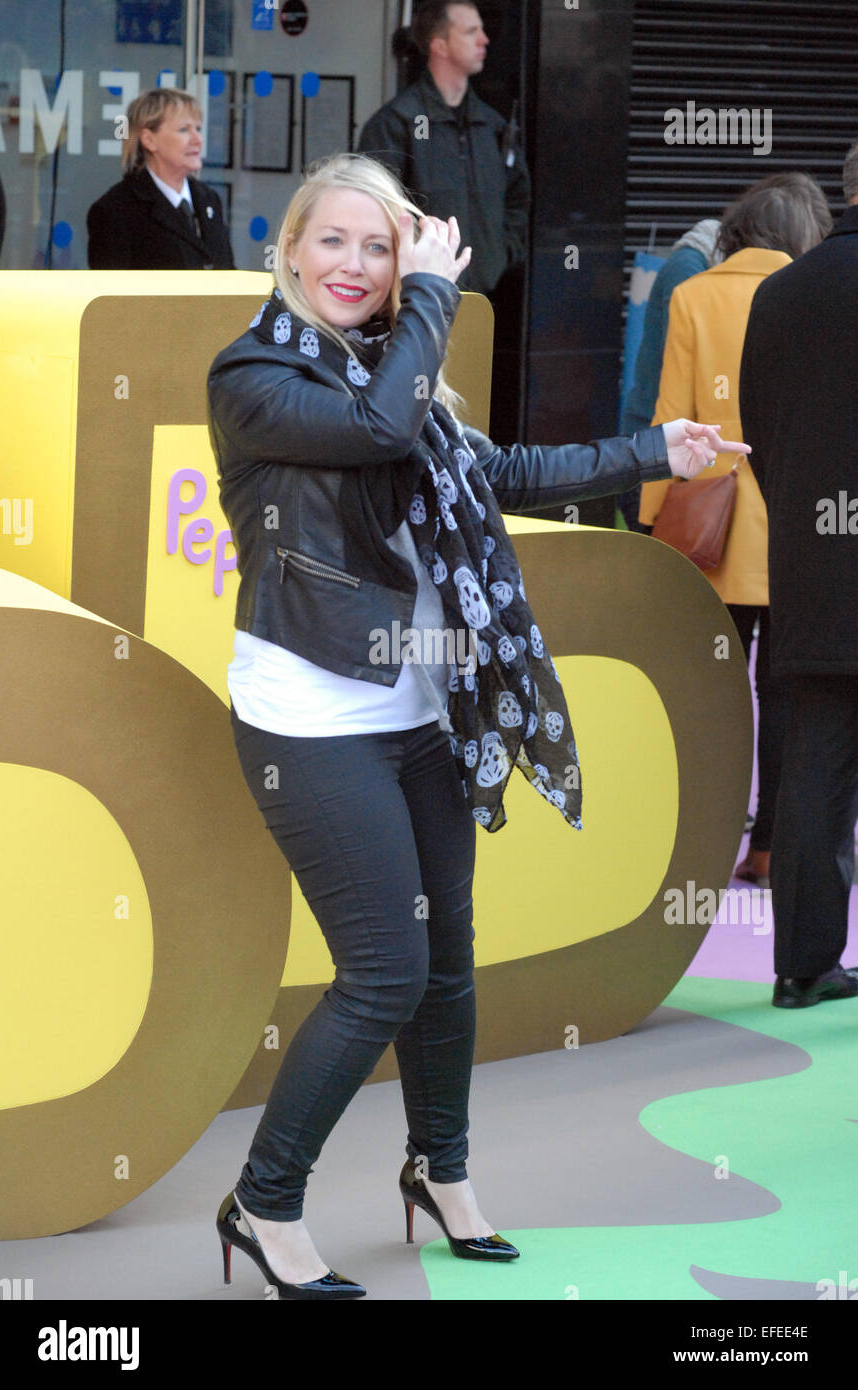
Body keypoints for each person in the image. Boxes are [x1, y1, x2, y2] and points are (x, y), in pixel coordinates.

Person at [206, 152, 746, 1300]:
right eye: (336, 241)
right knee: (384, 972)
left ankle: (439, 1173)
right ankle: (263, 1200)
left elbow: (491, 469)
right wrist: (437, 302)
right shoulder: (255, 373)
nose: (356, 265)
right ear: (290, 250)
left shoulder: (394, 364)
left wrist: (654, 452)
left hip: (422, 703)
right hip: (311, 712)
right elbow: (379, 430)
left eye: (382, 247)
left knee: (447, 964)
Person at [638, 173, 831, 889]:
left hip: (709, 528)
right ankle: (773, 851)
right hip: (797, 524)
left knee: (711, 695)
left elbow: (669, 414)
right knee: (788, 696)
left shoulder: (694, 295)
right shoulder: (815, 294)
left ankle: (700, 849)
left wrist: (652, 517)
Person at [739, 142, 858, 1009]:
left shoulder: (781, 293)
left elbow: (758, 424)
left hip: (814, 558)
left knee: (816, 758)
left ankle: (802, 967)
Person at [356, 1, 529, 300]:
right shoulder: (395, 124)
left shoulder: (492, 125)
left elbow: (517, 197)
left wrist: (500, 254)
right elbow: (372, 213)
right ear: (440, 46)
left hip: (486, 298)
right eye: (471, 31)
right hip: (415, 300)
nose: (484, 39)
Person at [618, 218, 722, 530]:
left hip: (664, 446)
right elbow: (683, 358)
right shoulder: (689, 265)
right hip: (656, 449)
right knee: (660, 568)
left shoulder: (698, 263)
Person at [87, 88, 235, 270]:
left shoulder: (209, 199)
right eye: (183, 129)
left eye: (198, 129)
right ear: (149, 140)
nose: (198, 139)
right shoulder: (115, 210)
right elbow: (113, 293)